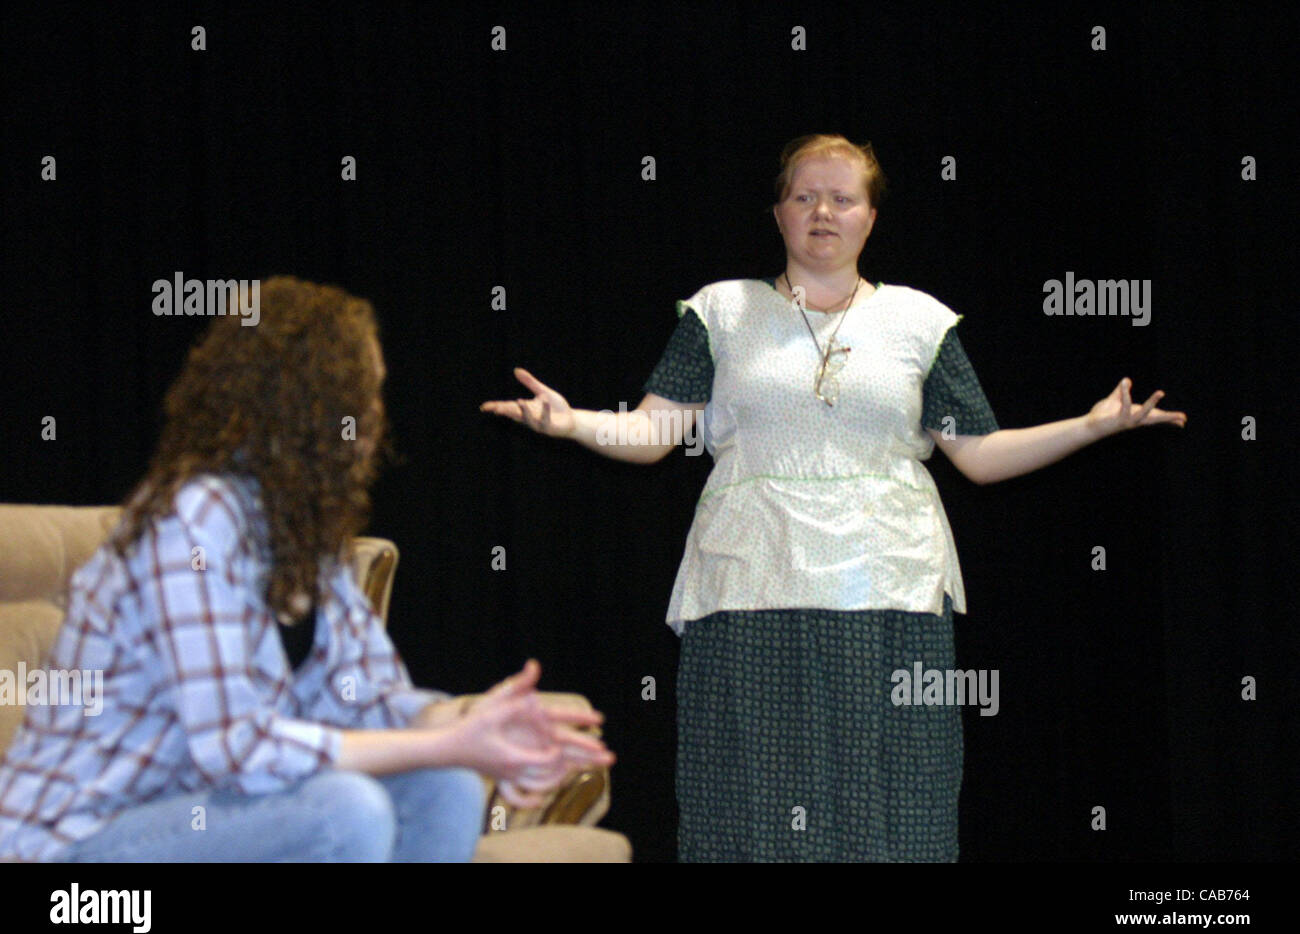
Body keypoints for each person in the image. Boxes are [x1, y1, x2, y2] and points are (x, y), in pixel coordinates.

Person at [480, 133, 1186, 862]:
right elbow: (653, 431)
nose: (823, 211)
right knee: (748, 794)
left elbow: (978, 455)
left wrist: (1091, 426)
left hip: (890, 587)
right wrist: (570, 423)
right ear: (779, 213)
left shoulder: (918, 322)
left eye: (842, 197)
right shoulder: (722, 312)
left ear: (871, 217)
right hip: (751, 580)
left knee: (892, 801)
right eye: (803, 196)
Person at [0, 276, 614, 863]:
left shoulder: (302, 536)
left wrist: (478, 725)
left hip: (203, 813)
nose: (374, 422)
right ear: (309, 407)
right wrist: (445, 740)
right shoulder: (189, 522)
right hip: (76, 842)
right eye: (363, 397)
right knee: (345, 812)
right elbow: (237, 750)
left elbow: (372, 697)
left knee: (445, 785)